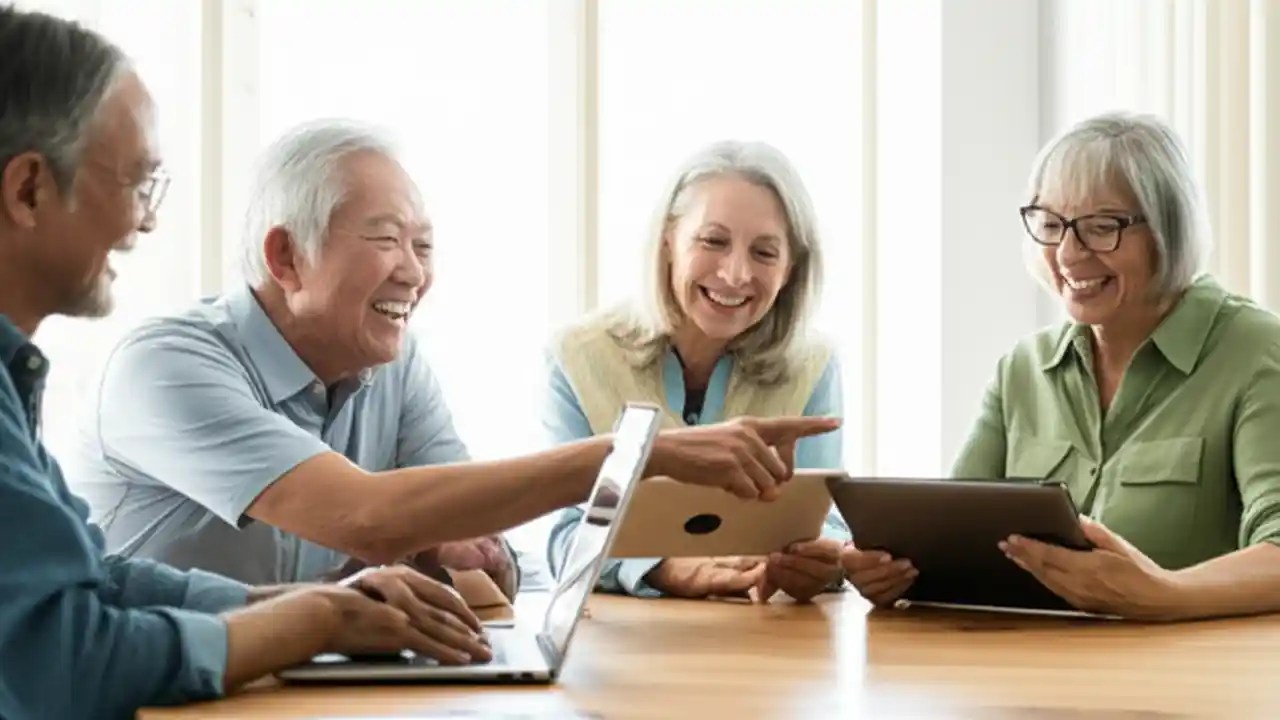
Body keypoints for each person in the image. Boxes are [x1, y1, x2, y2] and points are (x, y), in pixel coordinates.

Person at [0, 8, 834, 717]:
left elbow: (102, 582)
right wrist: (633, 454)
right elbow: (366, 518)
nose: (415, 270)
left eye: (424, 243)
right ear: (286, 257)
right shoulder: (162, 366)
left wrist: (387, 583)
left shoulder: (393, 363)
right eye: (389, 240)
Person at [840, 112, 1280, 621]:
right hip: (1029, 678)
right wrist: (892, 570)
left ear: (1168, 229)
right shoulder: (1022, 370)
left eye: (1101, 227)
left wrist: (1165, 594)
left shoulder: (1256, 353)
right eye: (1050, 225)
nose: (1069, 253)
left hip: (1188, 685)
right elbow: (947, 540)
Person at [545, 141, 849, 602]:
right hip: (624, 646)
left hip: (769, 636)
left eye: (765, 253)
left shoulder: (815, 363)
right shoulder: (576, 356)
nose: (734, 274)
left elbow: (825, 520)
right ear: (668, 240)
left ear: (791, 269)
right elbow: (566, 536)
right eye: (713, 241)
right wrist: (667, 569)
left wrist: (821, 563)